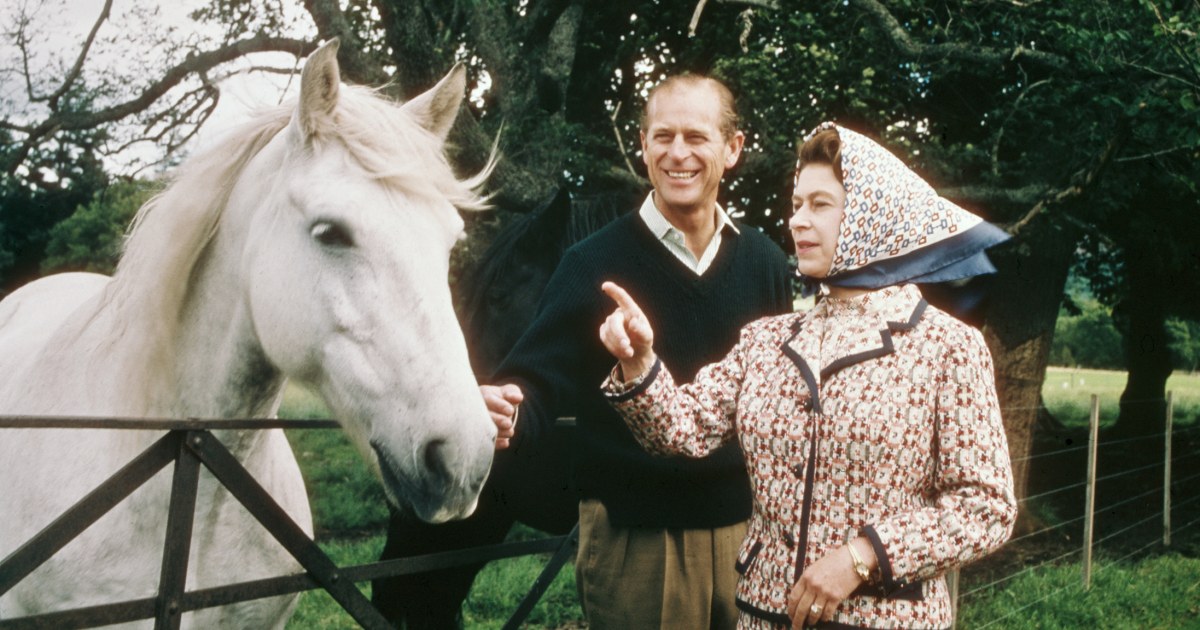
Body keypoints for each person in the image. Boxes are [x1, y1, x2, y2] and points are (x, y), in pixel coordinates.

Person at [598, 122, 1017, 629]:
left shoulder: (946, 347)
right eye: (796, 204)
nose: (797, 220)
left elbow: (985, 507)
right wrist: (640, 358)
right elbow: (679, 432)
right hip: (763, 618)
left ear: (871, 215)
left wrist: (862, 557)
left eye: (820, 205)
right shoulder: (764, 340)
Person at [482, 74, 794, 628]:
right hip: (639, 542)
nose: (678, 153)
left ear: (732, 149)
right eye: (663, 136)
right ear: (644, 145)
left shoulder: (765, 262)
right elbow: (536, 381)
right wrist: (509, 406)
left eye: (696, 137)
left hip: (748, 536)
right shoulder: (591, 263)